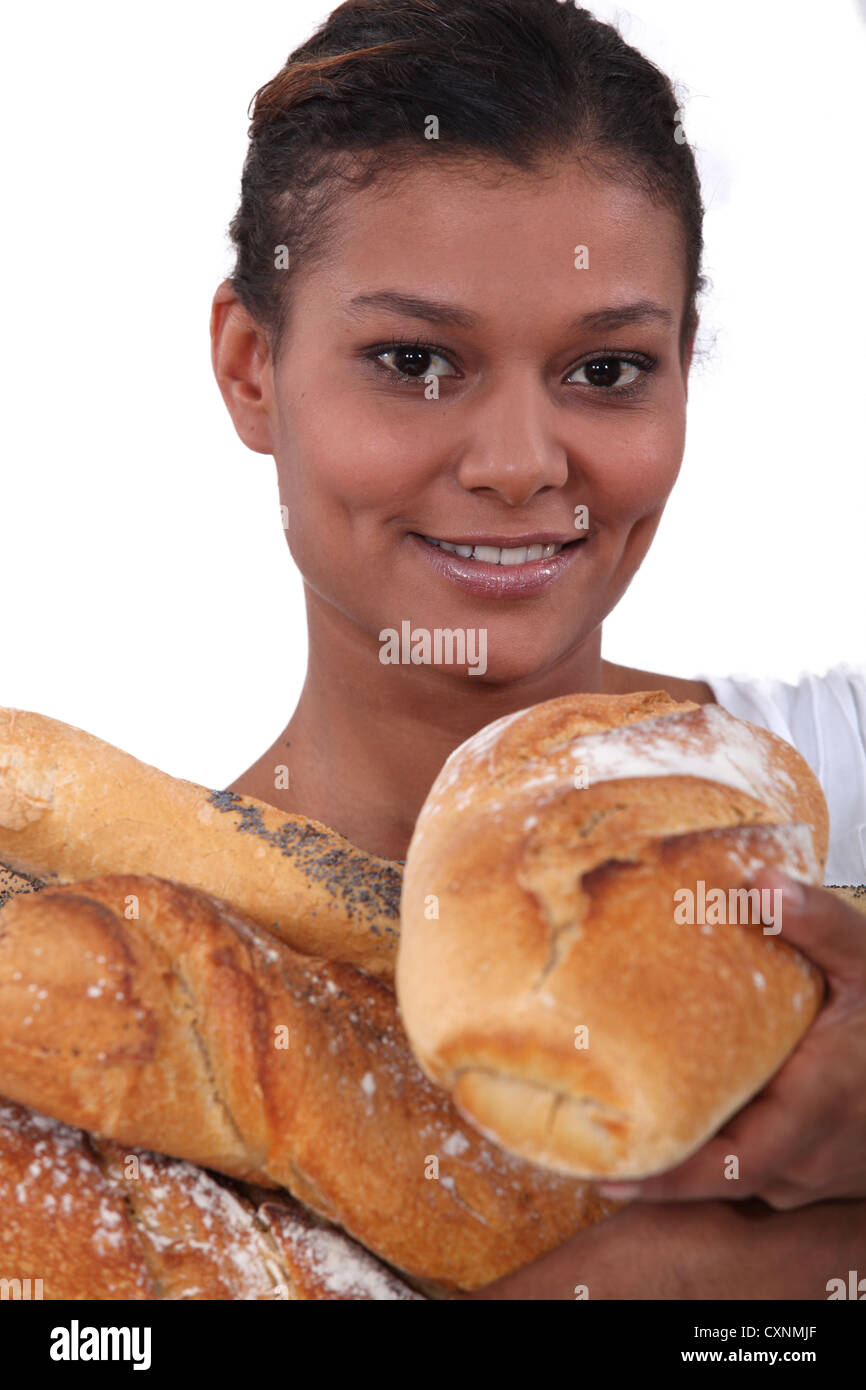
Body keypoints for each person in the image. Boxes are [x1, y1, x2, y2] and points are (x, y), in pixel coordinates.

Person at [210, 0, 866, 1299]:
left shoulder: (839, 779)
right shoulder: (116, 983)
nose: (520, 464)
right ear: (249, 369)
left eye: (608, 370)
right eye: (414, 358)